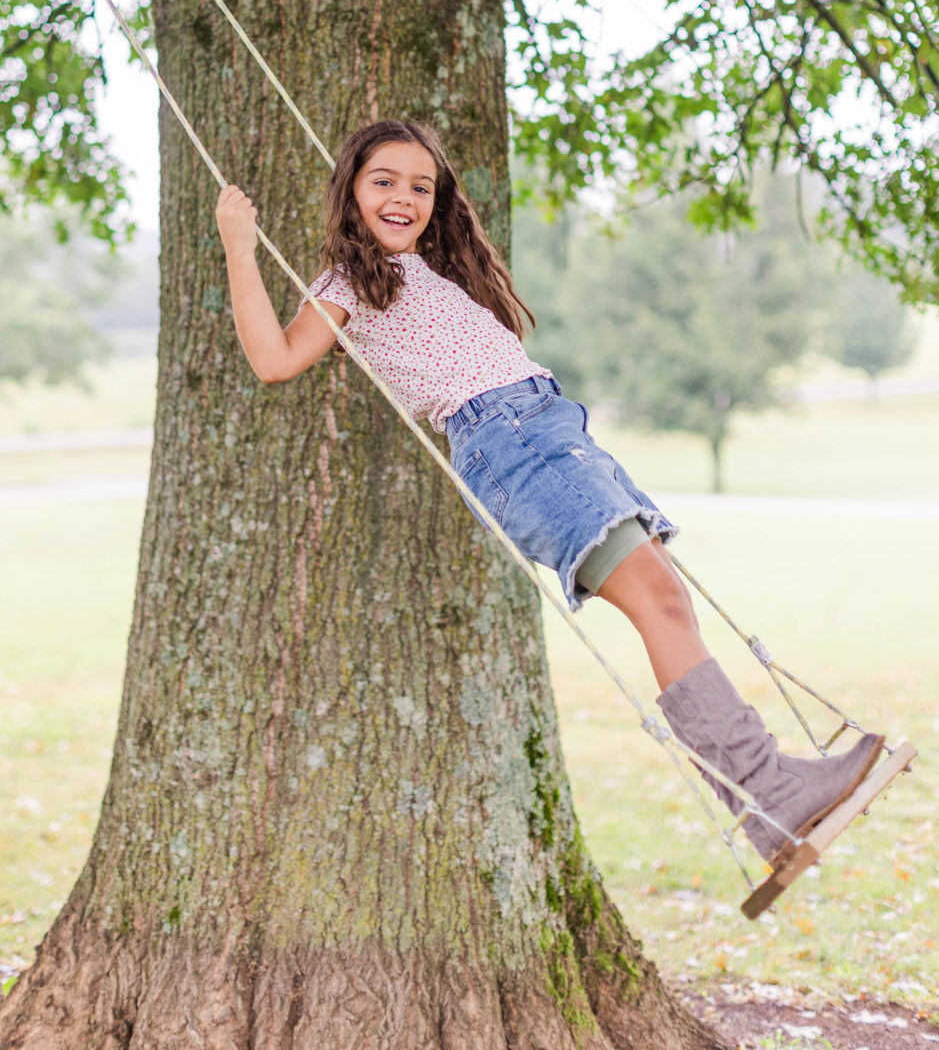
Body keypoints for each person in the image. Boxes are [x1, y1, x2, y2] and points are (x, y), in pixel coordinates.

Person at [215, 116, 883, 865]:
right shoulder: (346, 284)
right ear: (350, 191)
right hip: (511, 444)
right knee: (659, 600)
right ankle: (772, 793)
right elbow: (274, 360)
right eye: (383, 182)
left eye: (419, 186)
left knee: (668, 598)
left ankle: (770, 809)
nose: (402, 197)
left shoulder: (420, 274)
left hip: (549, 430)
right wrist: (240, 247)